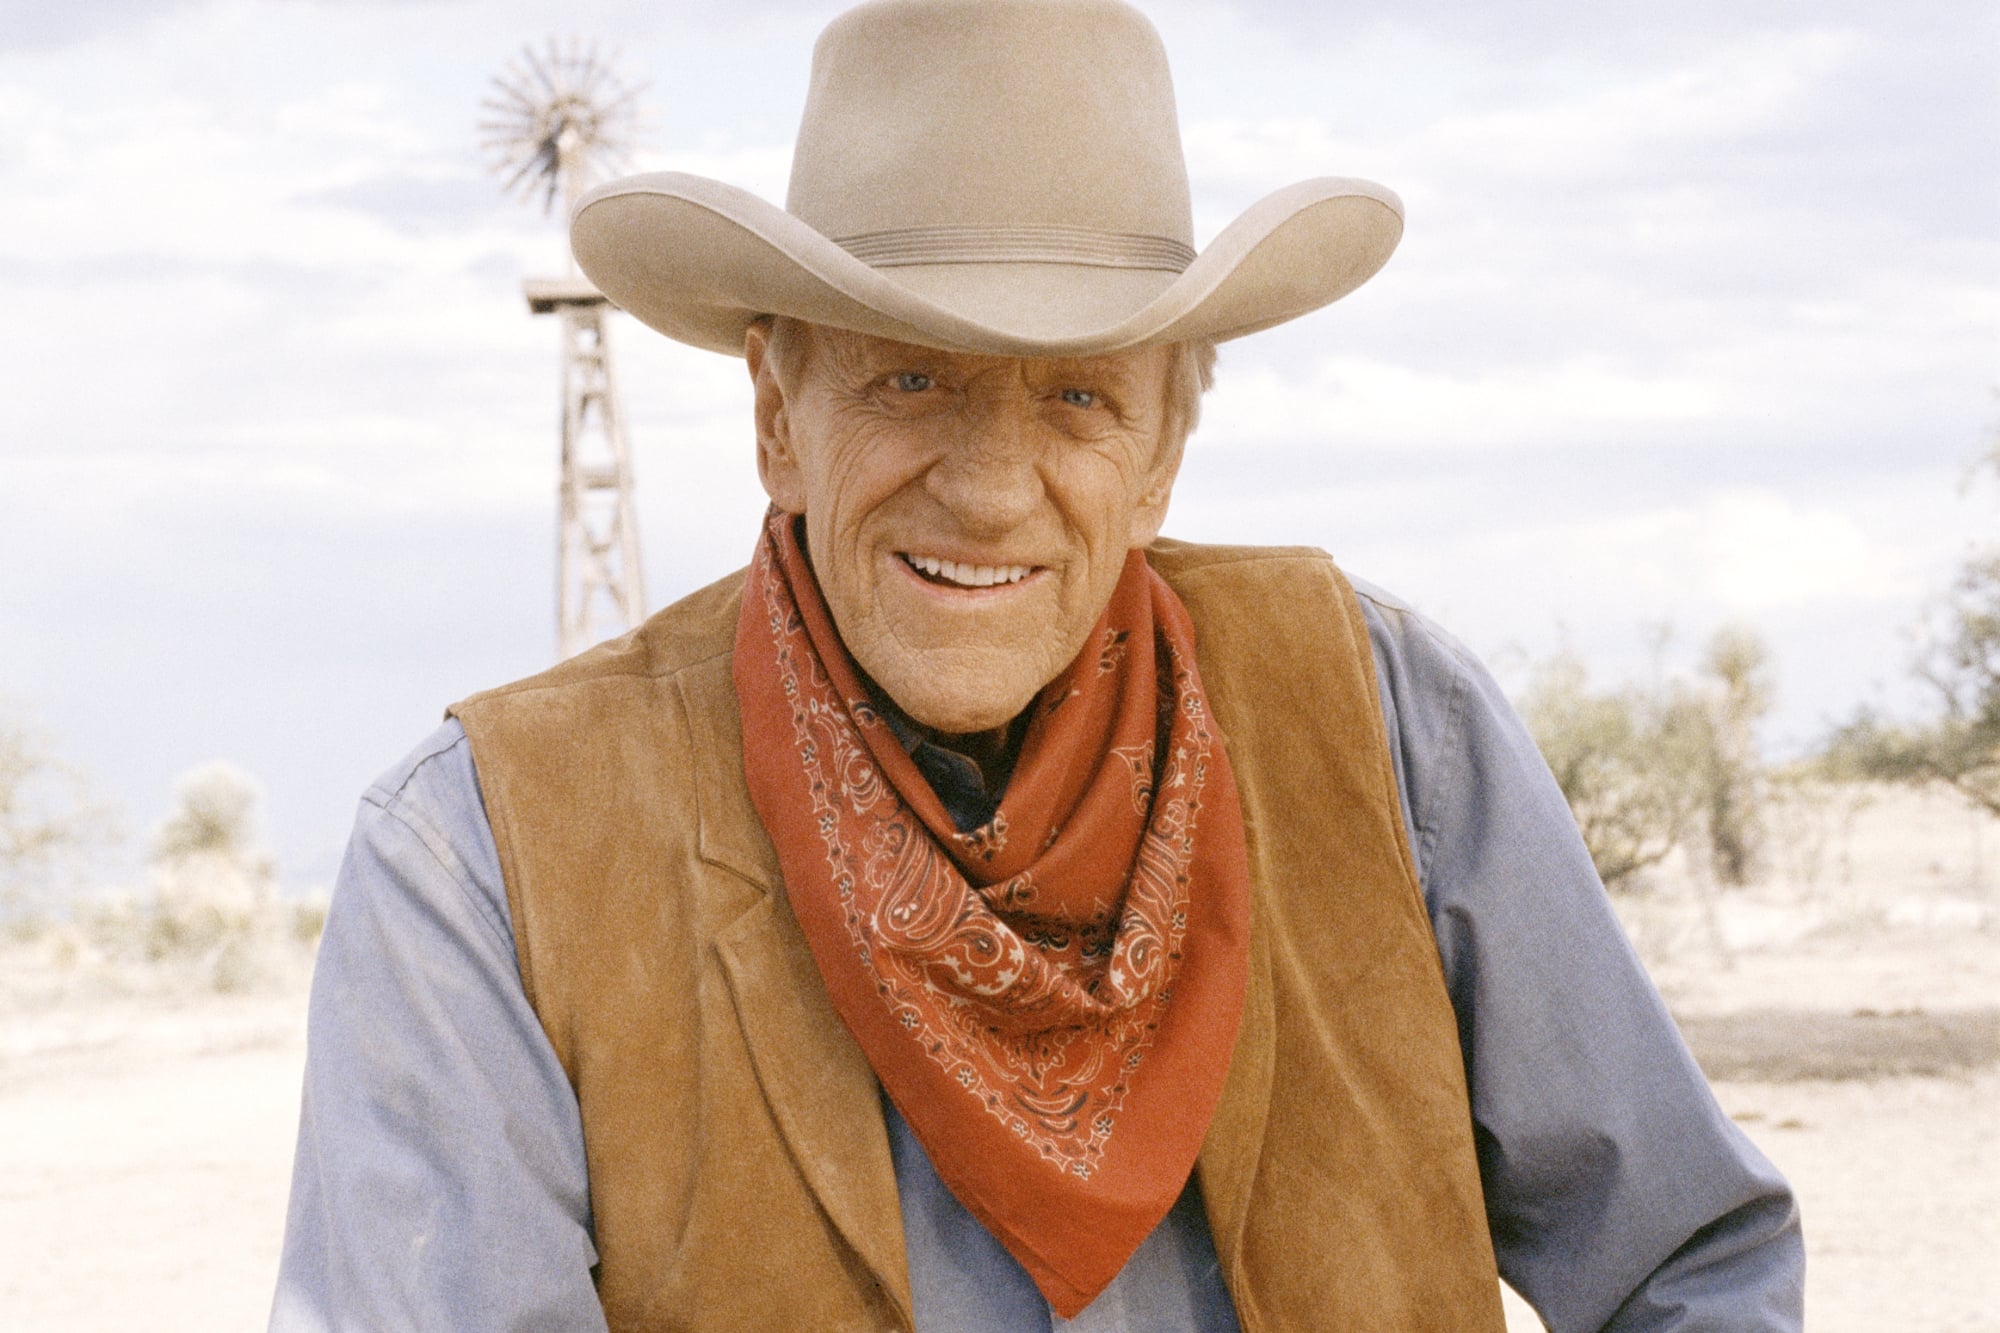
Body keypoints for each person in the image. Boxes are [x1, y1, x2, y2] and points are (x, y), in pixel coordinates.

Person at [271, 0, 1803, 1328]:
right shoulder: (487, 856)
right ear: (774, 415)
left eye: (1078, 396)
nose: (993, 486)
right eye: (910, 376)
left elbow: (1689, 1267)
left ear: (1163, 453)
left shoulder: (1389, 719)